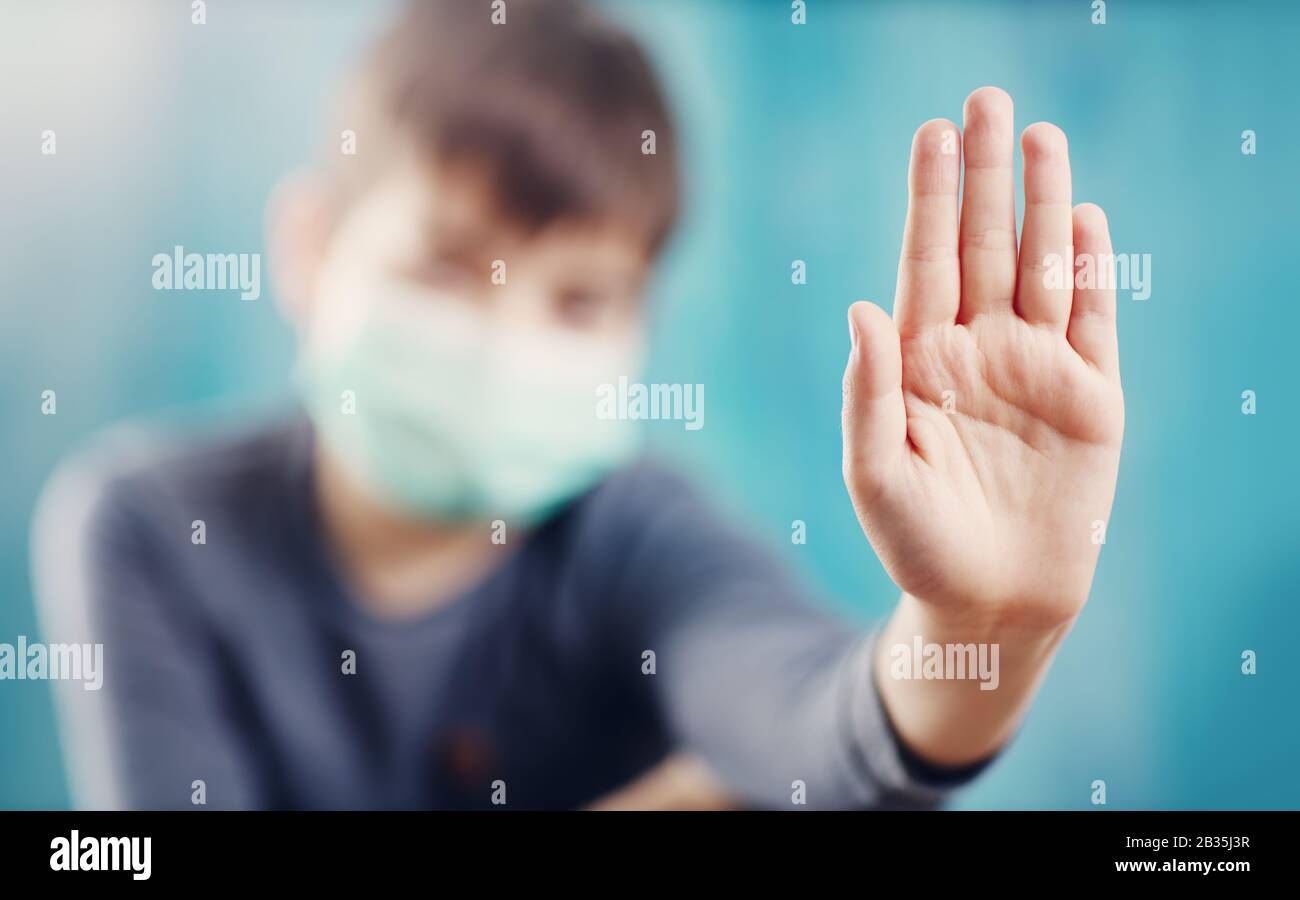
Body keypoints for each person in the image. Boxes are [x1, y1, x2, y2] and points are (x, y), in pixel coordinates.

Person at [33, 0, 1123, 810]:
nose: (506, 343)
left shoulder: (635, 537)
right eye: (449, 270)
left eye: (578, 299)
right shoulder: (145, 527)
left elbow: (815, 731)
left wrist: (981, 633)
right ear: (310, 251)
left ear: (638, 329)